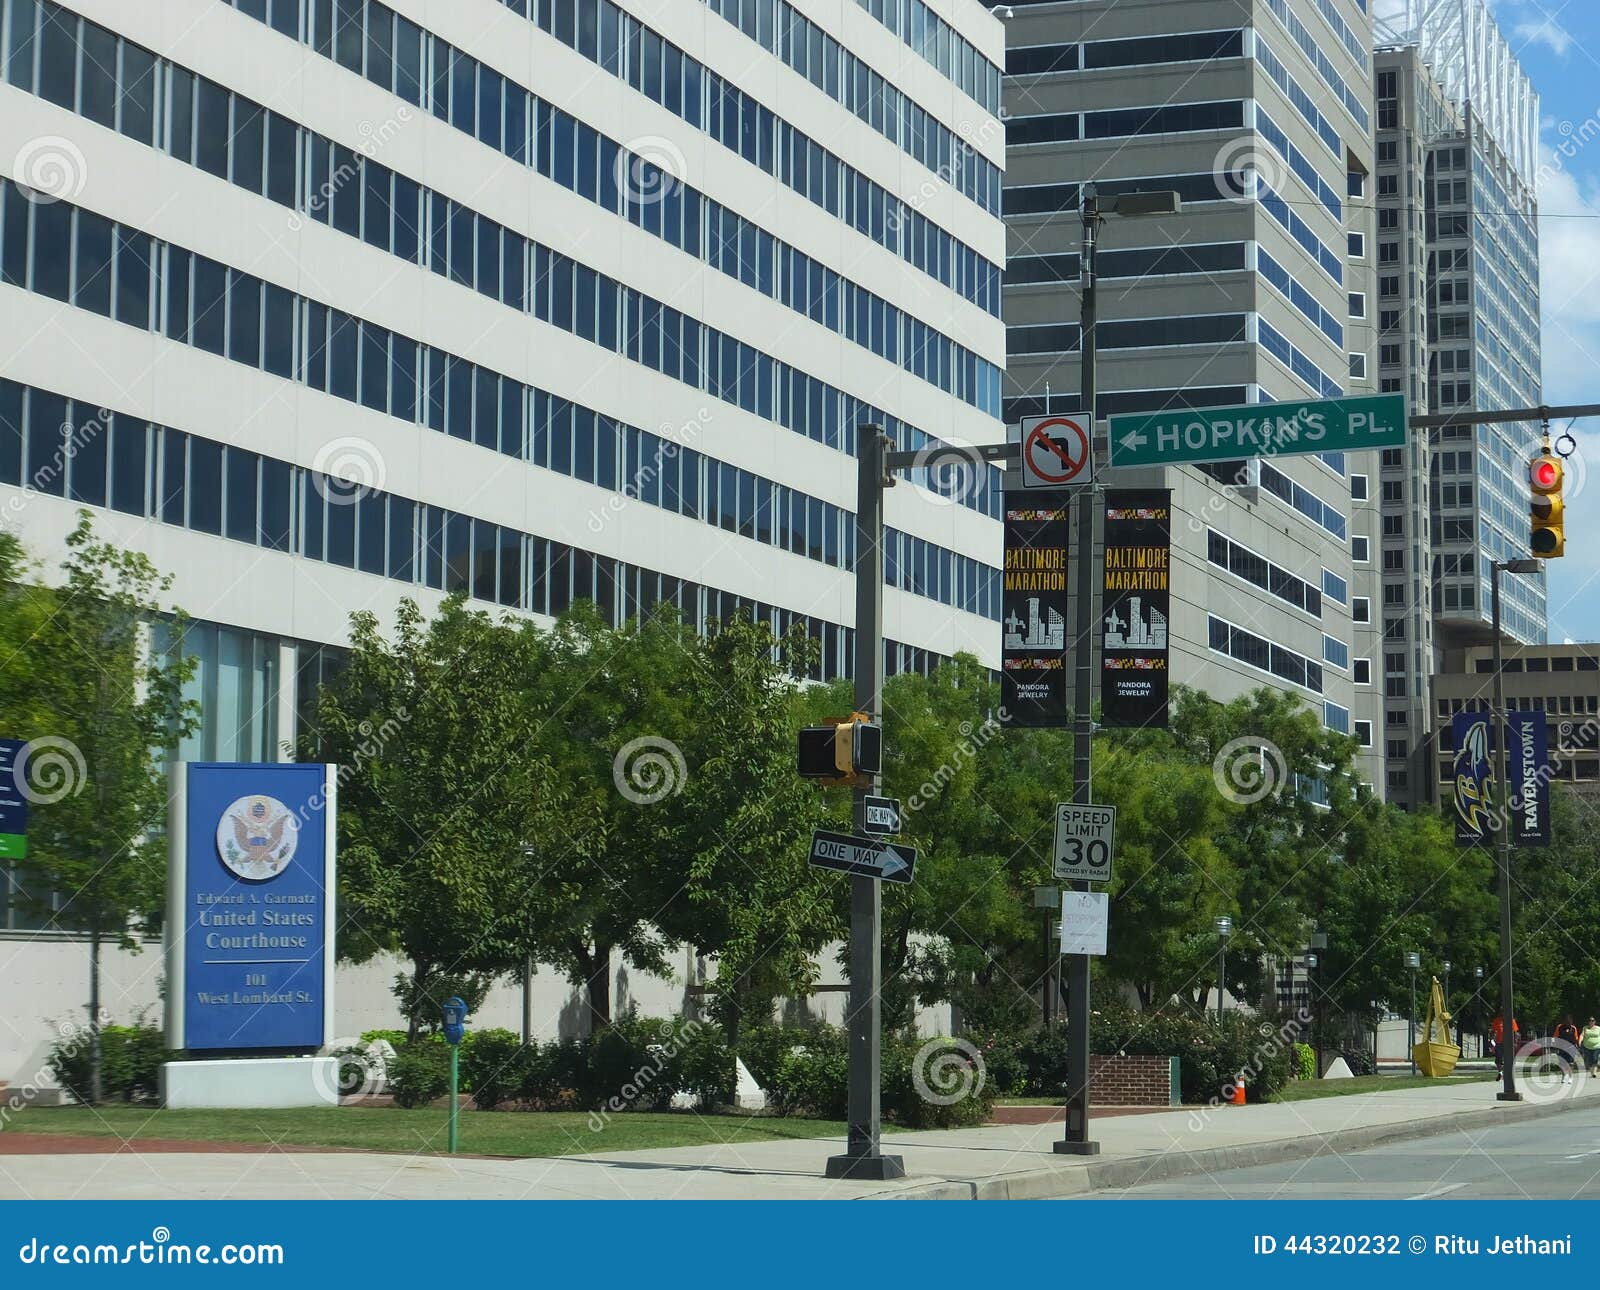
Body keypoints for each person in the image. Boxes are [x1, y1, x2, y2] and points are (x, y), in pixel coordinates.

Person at [1556, 1016, 1581, 1084]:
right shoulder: (1559, 1027)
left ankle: (1570, 1077)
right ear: (1564, 1021)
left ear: (1571, 1022)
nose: (1568, 1023)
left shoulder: (1573, 1028)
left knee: (1570, 1064)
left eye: (1569, 1022)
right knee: (1562, 1063)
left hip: (1571, 1048)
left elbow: (1576, 1038)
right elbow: (1556, 1036)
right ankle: (1564, 1076)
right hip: (1561, 1047)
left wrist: (1577, 1046)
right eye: (1566, 1022)